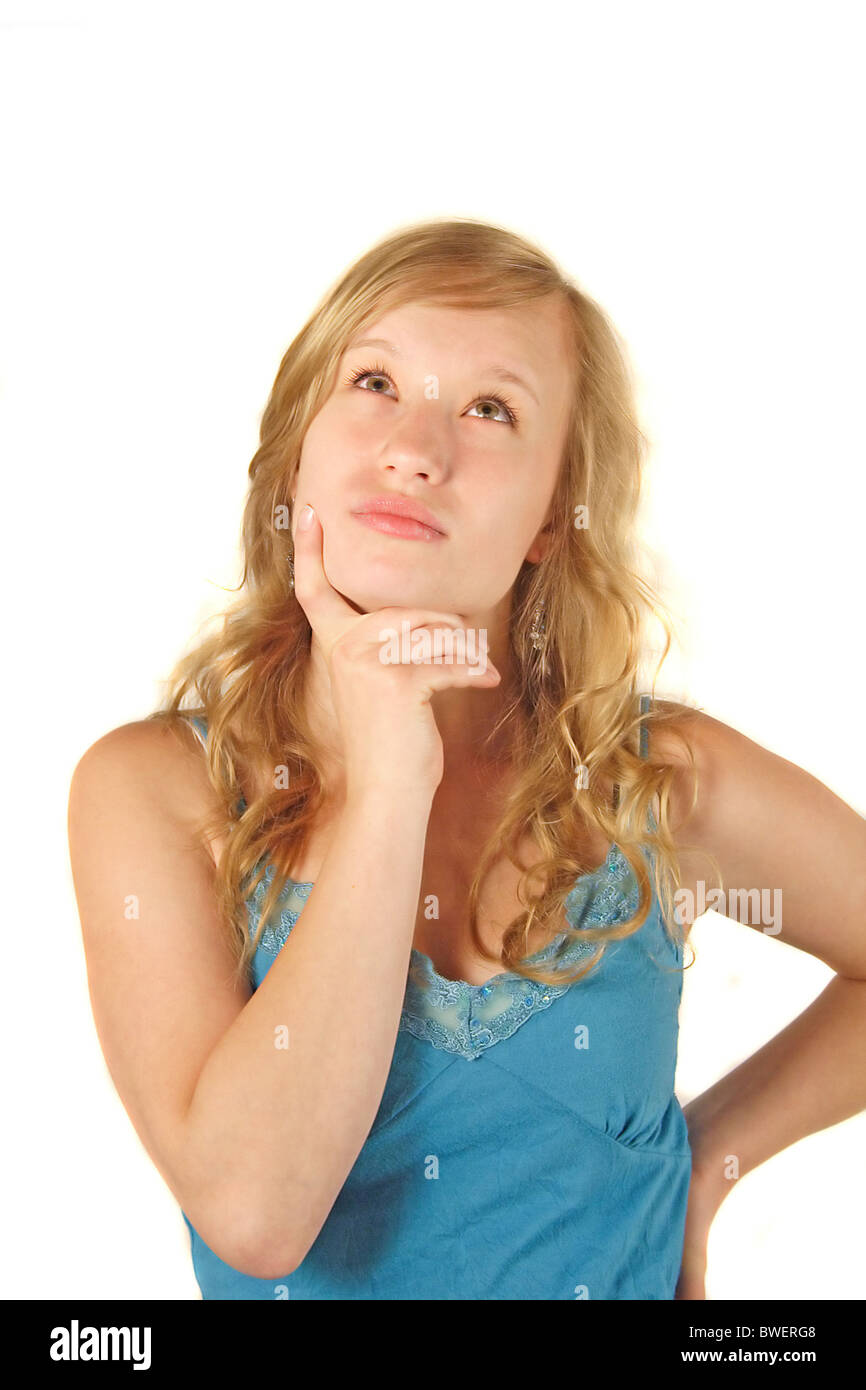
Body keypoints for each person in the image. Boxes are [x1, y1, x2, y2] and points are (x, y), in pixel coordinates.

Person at [67, 218, 866, 1301]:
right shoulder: (154, 792)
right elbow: (256, 1214)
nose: (416, 446)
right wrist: (395, 774)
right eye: (373, 381)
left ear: (549, 517)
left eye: (490, 409)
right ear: (298, 446)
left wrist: (708, 1162)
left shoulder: (654, 782)